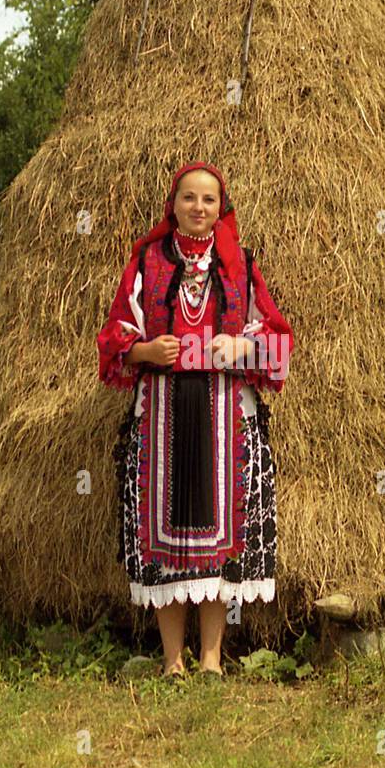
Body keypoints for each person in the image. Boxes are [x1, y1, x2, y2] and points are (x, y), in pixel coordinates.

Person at [96, 161, 294, 678]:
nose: (198, 208)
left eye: (208, 200)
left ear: (220, 208)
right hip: (159, 418)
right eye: (189, 198)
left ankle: (211, 659)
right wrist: (143, 351)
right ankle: (171, 661)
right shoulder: (146, 262)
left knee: (220, 547)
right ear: (174, 204)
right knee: (165, 547)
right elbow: (114, 334)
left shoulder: (240, 267)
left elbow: (278, 342)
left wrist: (240, 345)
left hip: (227, 419)